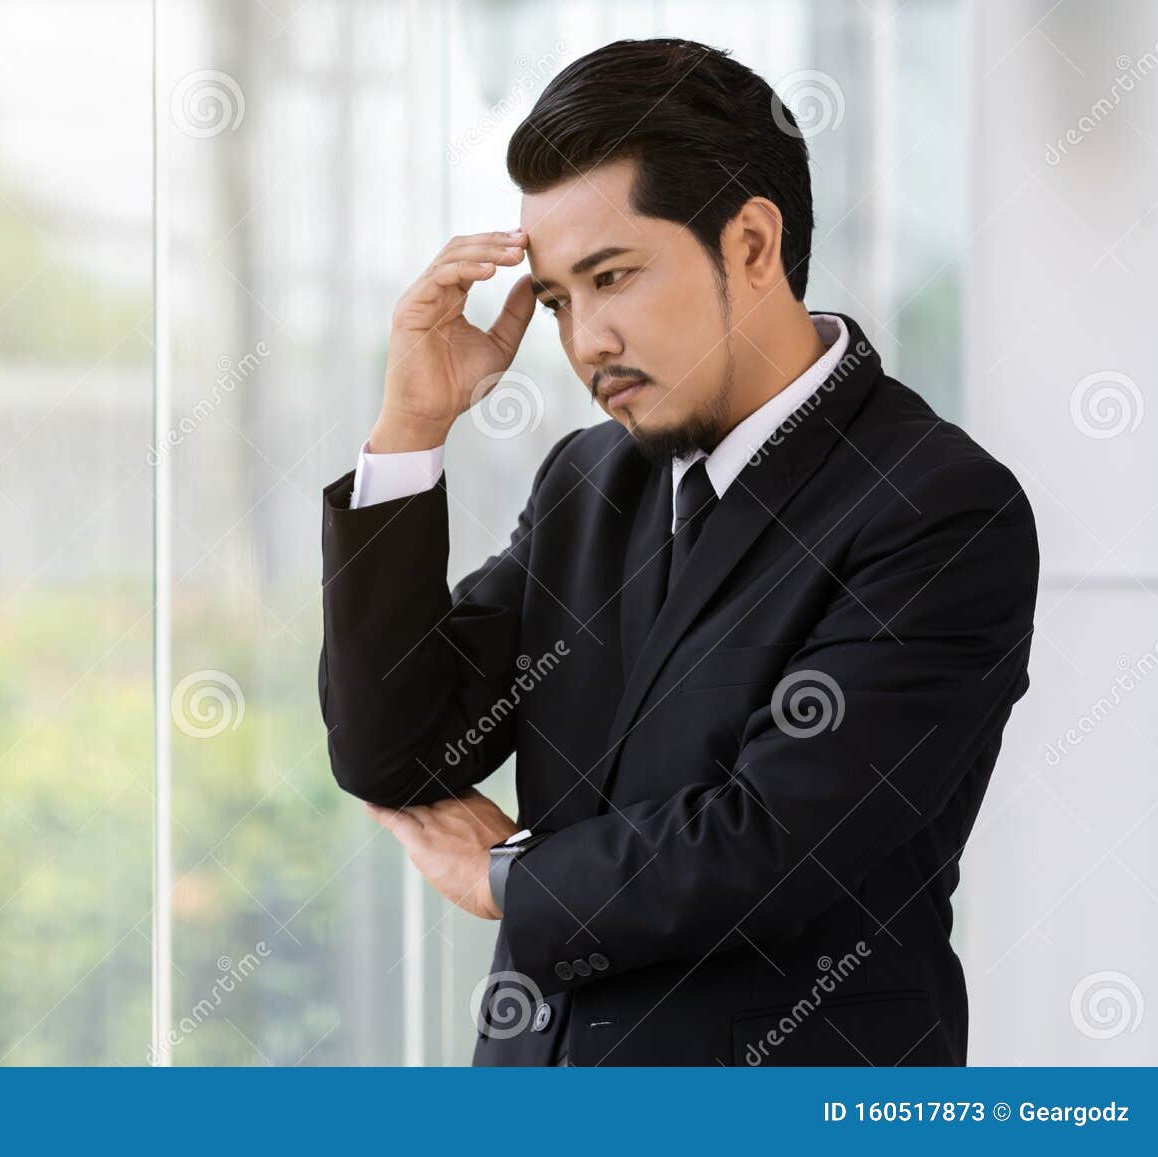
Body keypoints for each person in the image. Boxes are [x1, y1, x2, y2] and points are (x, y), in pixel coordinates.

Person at [316, 37, 1039, 1066]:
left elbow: (777, 841)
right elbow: (394, 747)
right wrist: (409, 425)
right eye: (561, 299)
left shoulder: (938, 507)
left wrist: (511, 876)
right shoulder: (587, 480)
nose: (586, 340)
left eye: (613, 277)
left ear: (749, 242)